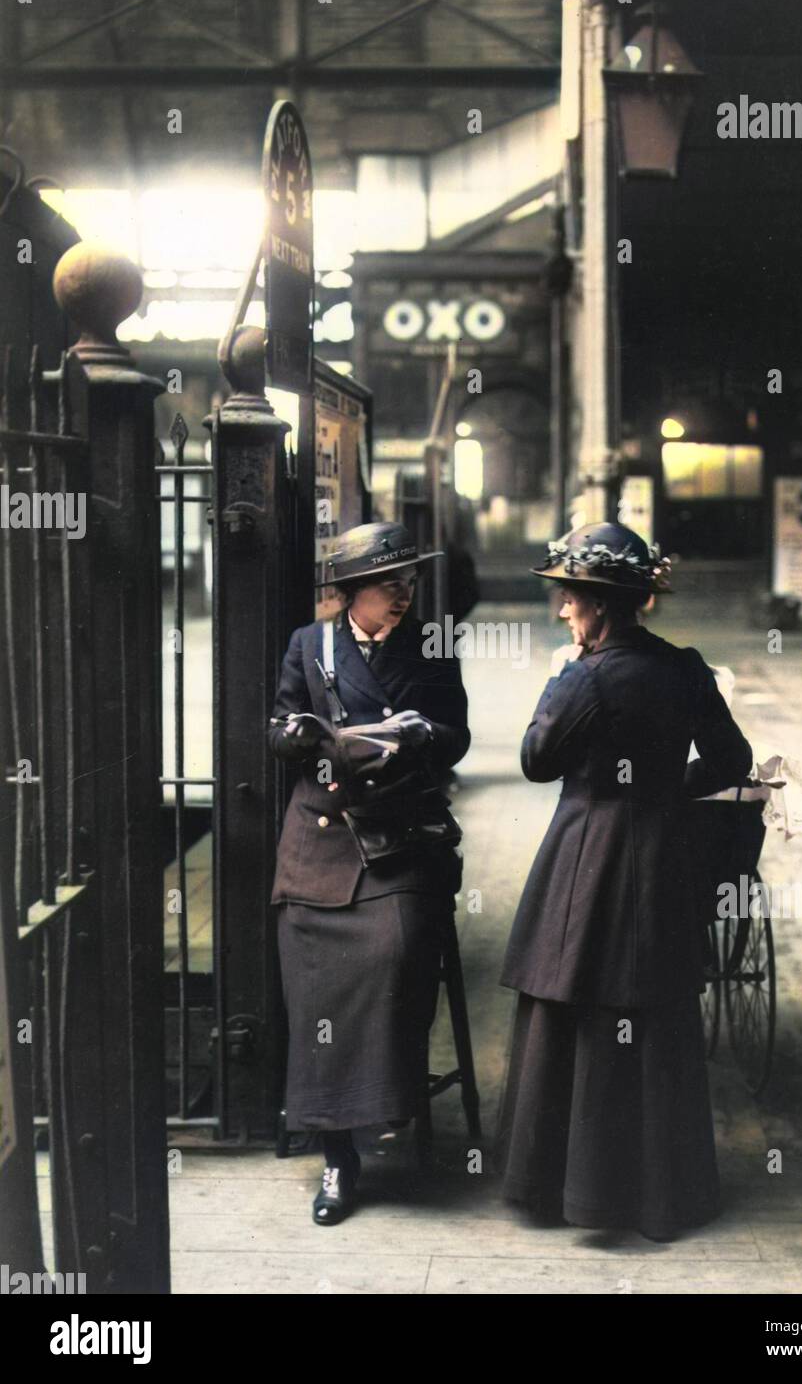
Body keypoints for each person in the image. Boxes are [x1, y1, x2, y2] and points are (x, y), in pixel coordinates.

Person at [497, 522, 753, 1239]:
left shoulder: (584, 675)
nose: (561, 613)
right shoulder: (684, 668)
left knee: (573, 1001)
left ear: (599, 606)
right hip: (661, 853)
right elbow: (732, 760)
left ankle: (567, 1191)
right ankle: (660, 1195)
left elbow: (535, 760)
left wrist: (562, 673)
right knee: (652, 1010)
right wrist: (665, 789)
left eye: (569, 600)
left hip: (587, 855)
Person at [268, 521, 469, 1226]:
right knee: (312, 975)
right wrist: (294, 735)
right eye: (391, 585)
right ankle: (336, 1156)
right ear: (352, 592)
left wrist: (419, 736)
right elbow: (281, 721)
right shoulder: (308, 643)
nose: (404, 595)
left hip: (401, 836)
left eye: (409, 582)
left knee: (394, 950)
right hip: (322, 835)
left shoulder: (432, 643)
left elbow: (457, 735)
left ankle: (385, 1106)